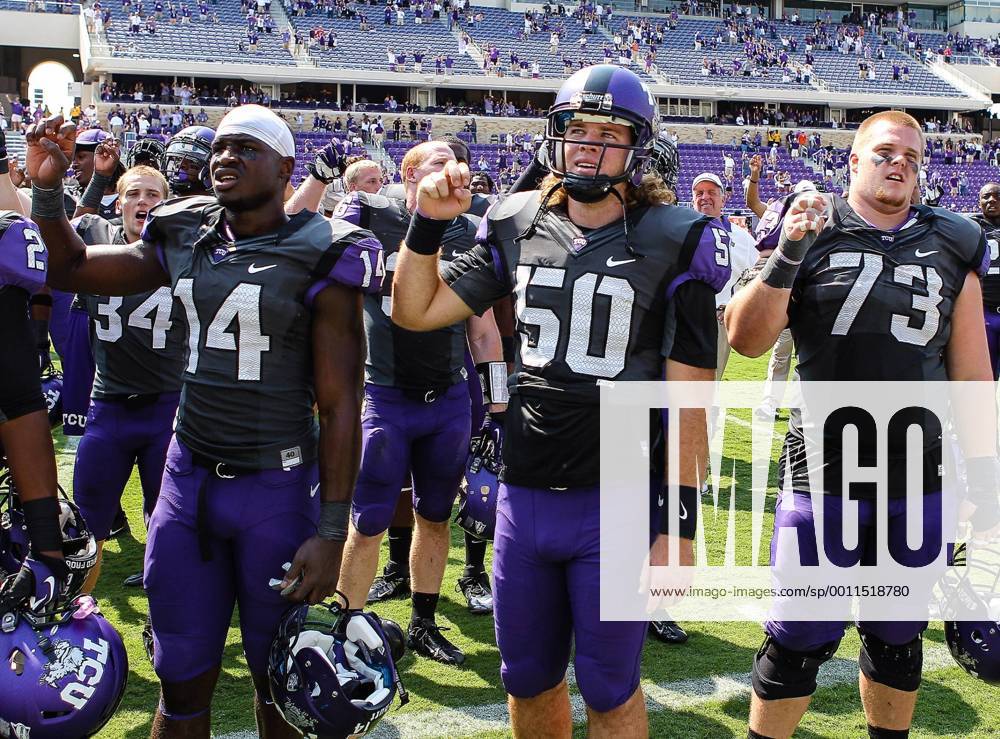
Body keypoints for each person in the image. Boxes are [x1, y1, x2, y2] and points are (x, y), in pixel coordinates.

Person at [391, 64, 729, 736]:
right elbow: (415, 307)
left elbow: (693, 399)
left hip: (618, 500)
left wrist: (679, 528)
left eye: (610, 134)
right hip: (525, 492)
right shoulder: (516, 220)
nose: (590, 147)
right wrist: (427, 222)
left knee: (608, 687)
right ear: (556, 137)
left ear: (639, 147)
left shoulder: (674, 235)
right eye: (579, 130)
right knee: (526, 677)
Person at [25, 105, 381, 738]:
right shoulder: (184, 232)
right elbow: (72, 268)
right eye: (220, 147)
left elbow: (341, 404)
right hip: (186, 483)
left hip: (275, 487)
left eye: (246, 149)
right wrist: (48, 191)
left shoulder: (324, 249)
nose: (225, 158)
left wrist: (332, 530)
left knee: (285, 684)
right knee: (181, 678)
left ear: (286, 167)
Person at [726, 110, 994, 739]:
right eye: (883, 152)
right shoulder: (812, 223)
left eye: (910, 155)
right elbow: (746, 338)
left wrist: (984, 478)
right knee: (797, 640)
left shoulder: (953, 240)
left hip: (919, 477)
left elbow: (973, 372)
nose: (898, 163)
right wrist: (790, 249)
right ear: (853, 160)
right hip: (823, 472)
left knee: (897, 637)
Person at [325, 141, 505, 659]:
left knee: (435, 515)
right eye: (437, 163)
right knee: (369, 518)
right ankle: (347, 624)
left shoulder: (468, 228)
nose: (453, 172)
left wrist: (495, 410)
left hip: (447, 395)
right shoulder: (369, 212)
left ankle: (424, 622)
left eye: (457, 163)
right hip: (386, 393)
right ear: (408, 172)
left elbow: (484, 330)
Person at [66, 151, 182, 594]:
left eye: (153, 194)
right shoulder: (98, 248)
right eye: (133, 193)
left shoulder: (184, 256)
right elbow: (58, 238)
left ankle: (166, 612)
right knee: (87, 519)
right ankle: (78, 613)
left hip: (167, 408)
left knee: (169, 518)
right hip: (109, 407)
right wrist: (92, 180)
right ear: (119, 203)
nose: (143, 201)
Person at [972, 181, 1000, 380]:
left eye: (997, 195)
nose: (992, 200)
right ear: (979, 203)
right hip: (984, 312)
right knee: (984, 377)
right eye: (986, 197)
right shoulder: (970, 227)